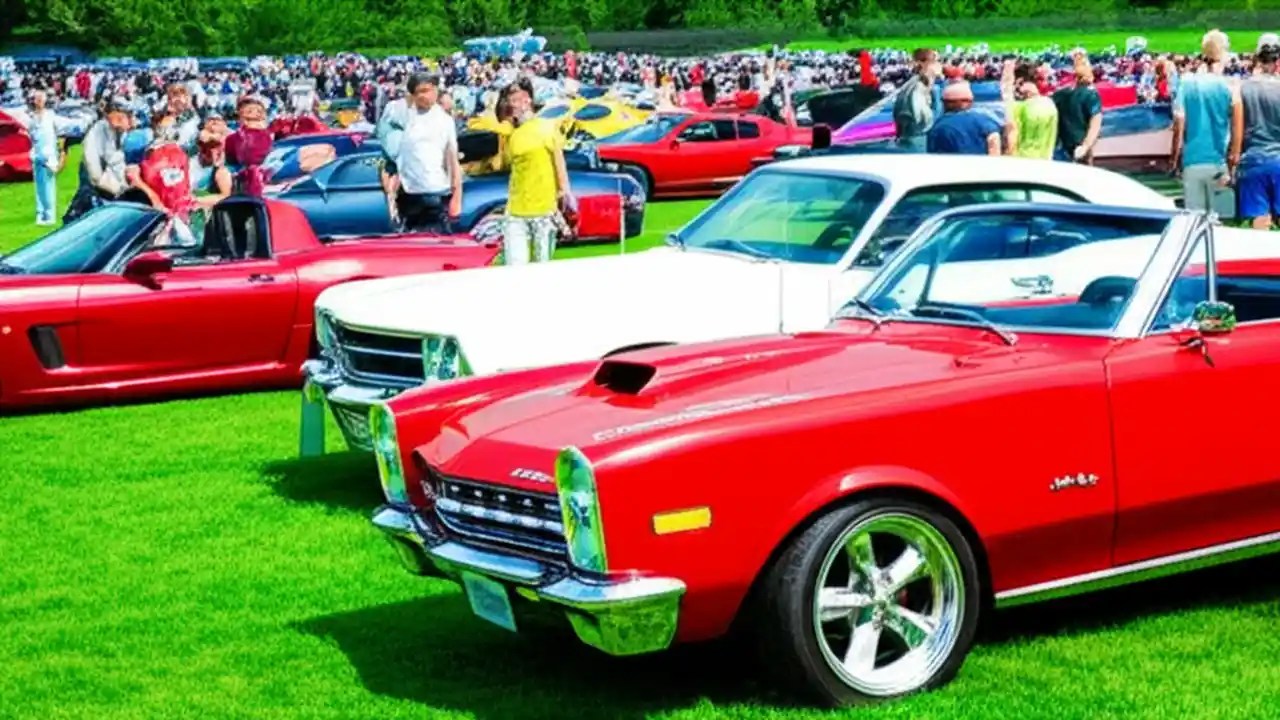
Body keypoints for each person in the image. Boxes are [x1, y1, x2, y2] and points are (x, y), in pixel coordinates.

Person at [378, 72, 462, 233]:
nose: (426, 95)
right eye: (421, 91)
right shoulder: (402, 116)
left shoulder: (445, 121)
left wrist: (456, 196)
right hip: (409, 194)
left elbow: (452, 159)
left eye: (430, 90)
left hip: (436, 192)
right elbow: (390, 154)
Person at [1170, 29, 1241, 215]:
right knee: (1221, 220)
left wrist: (1174, 160)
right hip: (1218, 162)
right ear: (1223, 54)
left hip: (1192, 162)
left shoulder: (1186, 83)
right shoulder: (1230, 87)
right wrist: (1233, 163)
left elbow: (1179, 125)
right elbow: (1236, 130)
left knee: (1194, 220)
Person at [501, 82, 572, 264]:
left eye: (515, 100)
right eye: (510, 101)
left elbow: (559, 161)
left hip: (543, 211)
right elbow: (511, 169)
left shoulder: (546, 128)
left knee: (542, 267)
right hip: (516, 212)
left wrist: (564, 192)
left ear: (527, 101)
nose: (512, 106)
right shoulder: (513, 136)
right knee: (515, 265)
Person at [1234, 40, 1280, 229]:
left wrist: (1234, 158)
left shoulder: (1243, 87)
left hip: (1252, 160)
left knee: (1259, 222)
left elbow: (1237, 126)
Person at [24, 88, 68, 225]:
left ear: (44, 101)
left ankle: (50, 215)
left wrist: (62, 154)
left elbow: (62, 135)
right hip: (37, 155)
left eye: (40, 99)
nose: (38, 101)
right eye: (36, 99)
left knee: (49, 185)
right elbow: (30, 136)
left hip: (49, 156)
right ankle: (40, 214)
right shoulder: (31, 118)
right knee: (39, 186)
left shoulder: (51, 116)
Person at [927, 81, 1002, 156]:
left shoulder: (938, 126)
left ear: (945, 103)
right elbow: (994, 141)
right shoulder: (984, 121)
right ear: (970, 101)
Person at [1003, 60, 1058, 159]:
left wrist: (1007, 93)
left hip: (1022, 163)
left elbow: (1011, 139)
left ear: (1020, 82)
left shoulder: (1019, 108)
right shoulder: (1050, 104)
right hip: (1045, 162)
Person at [1053, 55, 1103, 163]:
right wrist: (1086, 145)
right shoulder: (1091, 95)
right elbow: (1095, 124)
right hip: (1079, 146)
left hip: (1060, 146)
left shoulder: (1060, 94)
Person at [893, 48, 943, 152]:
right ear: (924, 64)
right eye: (935, 61)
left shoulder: (915, 84)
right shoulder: (918, 87)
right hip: (917, 141)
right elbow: (923, 121)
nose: (939, 64)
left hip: (910, 139)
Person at [224, 95, 274, 197]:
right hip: (253, 180)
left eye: (258, 111)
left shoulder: (272, 134)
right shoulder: (233, 138)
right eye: (250, 111)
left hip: (260, 180)